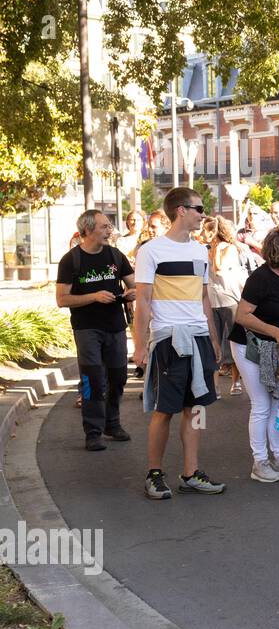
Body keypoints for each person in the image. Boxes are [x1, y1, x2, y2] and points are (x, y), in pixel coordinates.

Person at [131, 187, 227, 500]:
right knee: (165, 410)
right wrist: (140, 345)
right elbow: (143, 300)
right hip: (169, 339)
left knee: (196, 407)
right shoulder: (151, 250)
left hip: (198, 337)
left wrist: (213, 340)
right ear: (181, 210)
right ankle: (154, 473)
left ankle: (191, 472)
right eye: (198, 208)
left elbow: (203, 297)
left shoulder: (201, 251)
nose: (203, 214)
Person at [228, 227, 279, 483]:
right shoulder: (261, 278)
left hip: (272, 346)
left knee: (276, 400)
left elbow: (277, 312)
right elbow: (242, 316)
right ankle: (260, 462)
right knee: (262, 404)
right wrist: (276, 331)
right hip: (249, 346)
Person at [56, 210, 135, 451]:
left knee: (118, 377)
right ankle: (93, 432)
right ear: (88, 230)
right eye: (104, 226)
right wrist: (93, 296)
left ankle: (112, 423)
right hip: (87, 328)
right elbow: (62, 299)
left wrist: (130, 294)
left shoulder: (115, 255)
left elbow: (135, 285)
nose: (109, 230)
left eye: (109, 226)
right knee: (93, 380)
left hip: (115, 326)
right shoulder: (71, 260)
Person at [207, 216, 247, 397]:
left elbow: (219, 268)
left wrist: (215, 249)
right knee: (212, 343)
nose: (204, 234)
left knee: (234, 342)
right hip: (211, 300)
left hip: (230, 299)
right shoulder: (204, 249)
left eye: (208, 230)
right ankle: (215, 386)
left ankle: (236, 381)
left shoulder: (229, 249)